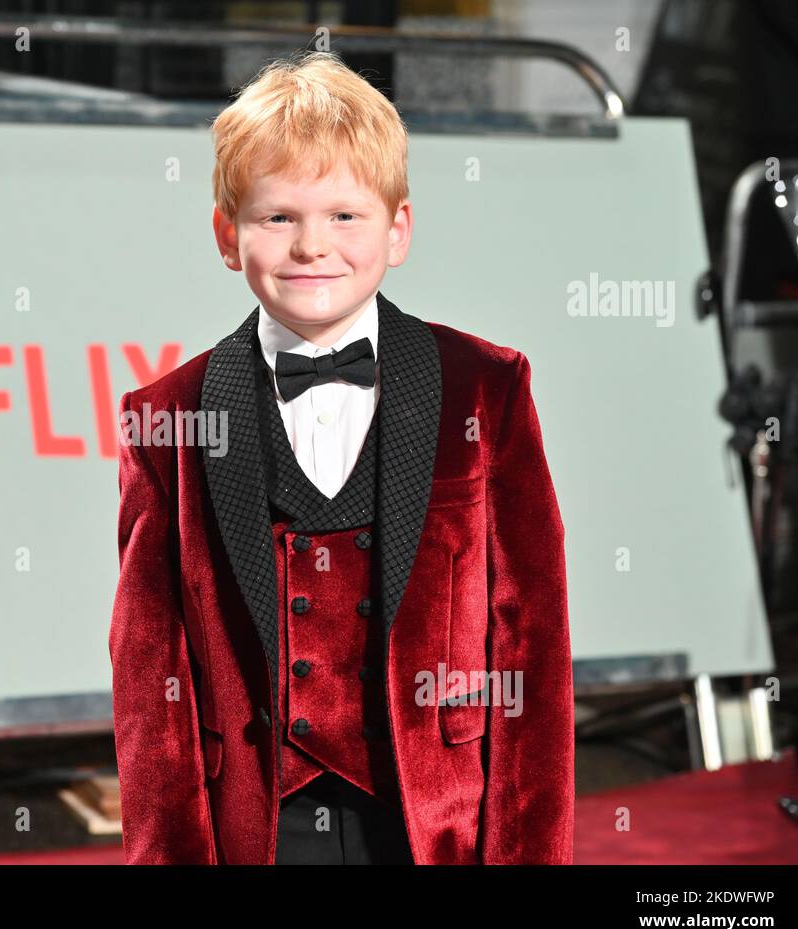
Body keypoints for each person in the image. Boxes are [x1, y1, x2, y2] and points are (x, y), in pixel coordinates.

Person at [107, 49, 574, 864]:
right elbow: (150, 688)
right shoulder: (167, 417)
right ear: (227, 235)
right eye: (277, 217)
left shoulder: (486, 389)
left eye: (344, 217)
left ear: (398, 230)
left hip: (435, 823)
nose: (310, 246)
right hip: (256, 828)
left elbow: (532, 644)